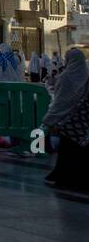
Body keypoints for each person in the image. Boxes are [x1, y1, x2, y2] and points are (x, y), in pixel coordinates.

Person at [43, 47, 89, 193]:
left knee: (67, 152)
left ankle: (64, 178)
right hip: (83, 122)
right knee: (81, 153)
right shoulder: (87, 75)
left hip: (68, 123)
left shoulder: (65, 77)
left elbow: (60, 101)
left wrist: (49, 119)